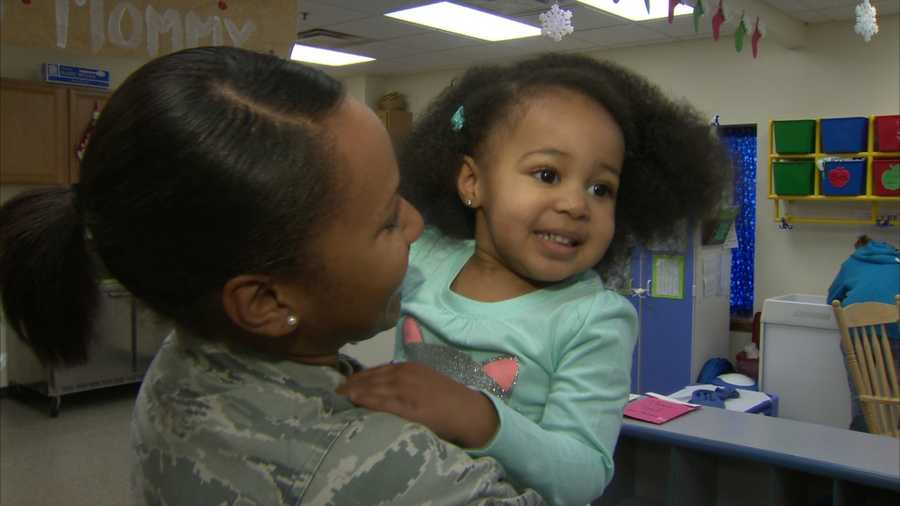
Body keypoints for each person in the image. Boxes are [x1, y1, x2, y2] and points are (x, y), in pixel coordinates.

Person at [0, 47, 544, 506]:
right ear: (263, 301)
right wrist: (487, 420)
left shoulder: (186, 358)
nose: (416, 222)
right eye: (385, 221)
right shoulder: (385, 468)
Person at [337, 53, 730, 505]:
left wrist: (480, 418)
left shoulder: (592, 319)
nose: (576, 204)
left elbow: (584, 473)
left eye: (601, 188)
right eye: (548, 174)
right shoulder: (426, 255)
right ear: (472, 182)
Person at [828, 235, 900, 432]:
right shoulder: (897, 263)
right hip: (895, 333)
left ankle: (859, 445)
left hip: (856, 334)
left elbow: (832, 298)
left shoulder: (851, 262)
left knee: (861, 395)